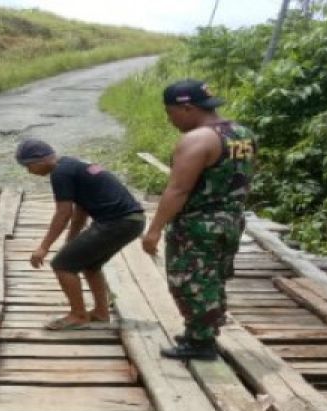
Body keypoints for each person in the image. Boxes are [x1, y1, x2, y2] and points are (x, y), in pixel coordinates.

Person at [141, 79, 257, 361]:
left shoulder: (197, 140)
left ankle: (201, 344)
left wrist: (154, 230)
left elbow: (178, 189)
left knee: (189, 280)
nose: (171, 121)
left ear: (187, 108)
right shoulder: (242, 133)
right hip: (230, 219)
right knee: (213, 278)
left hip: (198, 225)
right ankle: (201, 332)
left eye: (171, 114)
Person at [14, 139, 146, 330]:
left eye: (28, 166)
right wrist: (72, 238)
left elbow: (63, 212)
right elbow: (80, 210)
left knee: (62, 265)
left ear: (39, 161)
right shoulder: (71, 165)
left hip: (118, 222)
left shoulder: (60, 173)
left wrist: (43, 247)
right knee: (90, 265)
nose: (28, 171)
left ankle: (78, 314)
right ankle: (101, 313)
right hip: (132, 220)